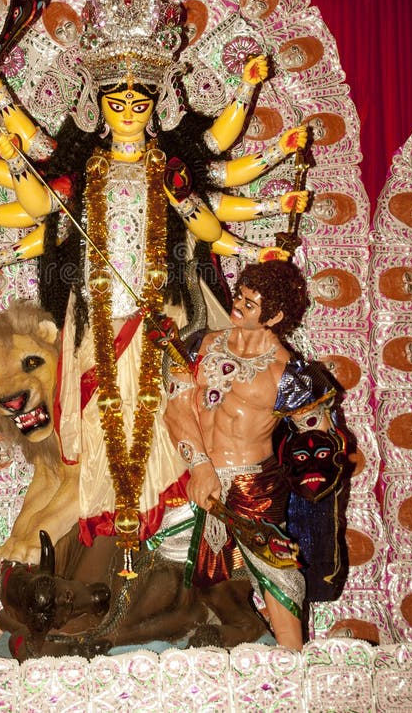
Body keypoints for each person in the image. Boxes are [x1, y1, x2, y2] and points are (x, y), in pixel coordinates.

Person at [0, 0, 309, 564]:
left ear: (156, 101)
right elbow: (38, 205)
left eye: (142, 99)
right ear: (100, 104)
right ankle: (109, 557)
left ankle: (177, 558)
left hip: (160, 313)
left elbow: (212, 218)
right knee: (100, 439)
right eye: (118, 101)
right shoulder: (79, 171)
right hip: (95, 325)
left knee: (177, 427)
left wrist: (246, 108)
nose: (130, 109)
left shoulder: (177, 164)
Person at [164, 260, 336, 650]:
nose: (238, 306)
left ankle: (292, 660)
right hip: (193, 475)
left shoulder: (289, 375)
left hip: (253, 484)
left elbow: (317, 443)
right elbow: (176, 409)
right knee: (162, 554)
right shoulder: (199, 345)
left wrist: (320, 461)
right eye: (239, 295)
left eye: (250, 303)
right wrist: (201, 468)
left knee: (275, 568)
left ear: (274, 316)